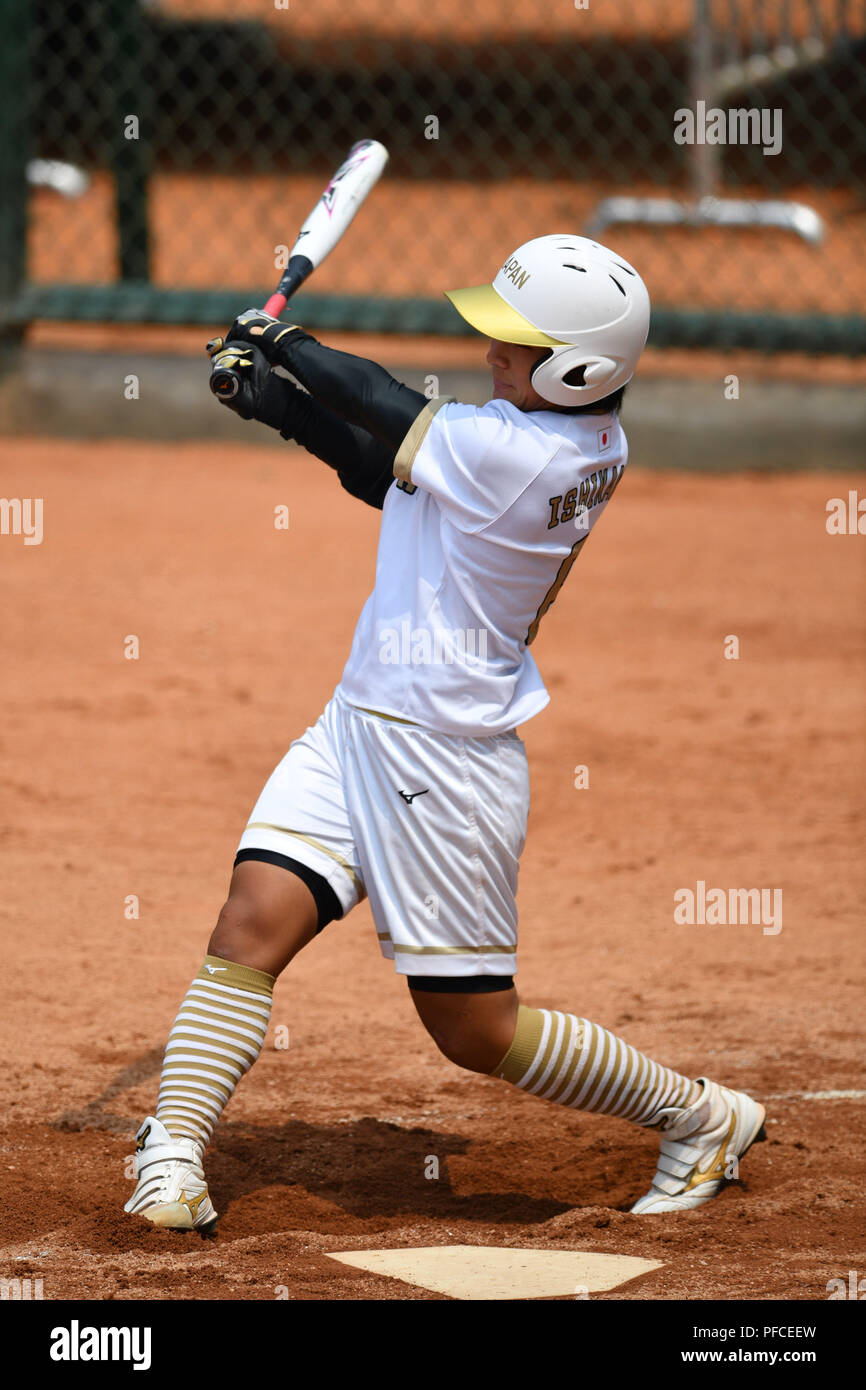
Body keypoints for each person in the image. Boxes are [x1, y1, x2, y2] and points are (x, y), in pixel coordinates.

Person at [124, 235, 765, 1233]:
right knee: (249, 919)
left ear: (579, 369)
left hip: (444, 762)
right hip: (359, 724)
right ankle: (170, 1153)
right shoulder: (551, 437)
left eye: (513, 346)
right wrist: (275, 402)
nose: (489, 356)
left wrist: (279, 339)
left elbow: (383, 405)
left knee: (474, 1030)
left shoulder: (523, 450)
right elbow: (386, 473)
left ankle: (700, 1115)